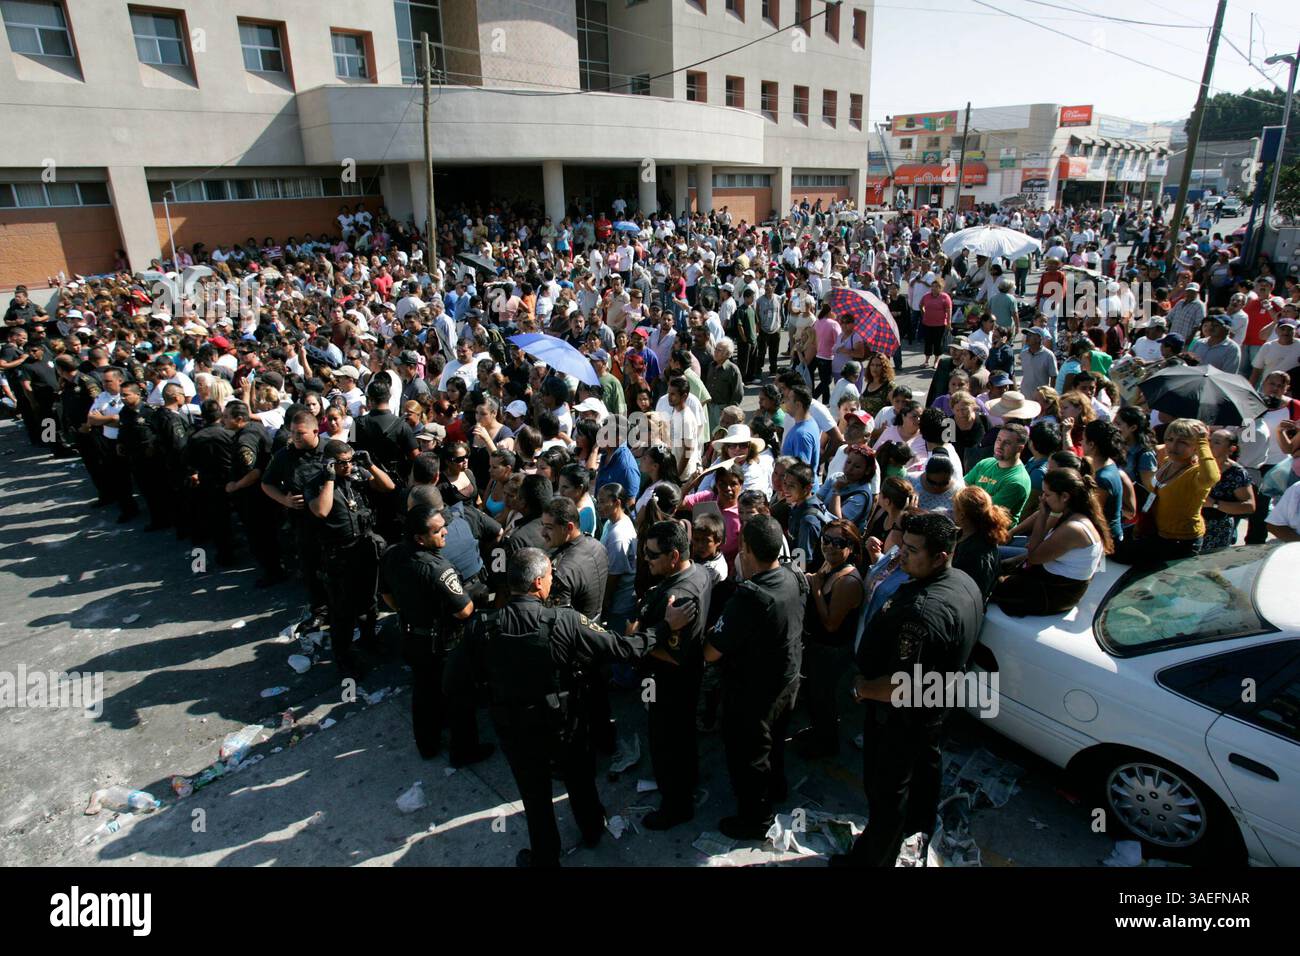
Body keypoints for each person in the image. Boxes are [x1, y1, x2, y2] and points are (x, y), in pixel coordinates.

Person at [479, 548, 656, 867]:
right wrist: (661, 629)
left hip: (516, 730)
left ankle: (545, 858)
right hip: (563, 725)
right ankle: (592, 829)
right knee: (580, 780)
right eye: (549, 576)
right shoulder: (566, 621)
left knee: (535, 799)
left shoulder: (484, 628)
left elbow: (455, 682)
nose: (553, 581)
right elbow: (624, 649)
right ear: (537, 584)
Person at [837, 512, 983, 867]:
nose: (902, 554)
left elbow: (903, 686)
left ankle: (872, 859)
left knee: (887, 793)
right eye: (903, 545)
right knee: (926, 766)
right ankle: (919, 823)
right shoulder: (965, 581)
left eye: (913, 550)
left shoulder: (922, 612)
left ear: (941, 557)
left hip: (901, 718)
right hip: (935, 707)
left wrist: (862, 690)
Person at [693, 516, 807, 840]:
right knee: (775, 744)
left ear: (746, 549)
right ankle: (777, 788)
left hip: (754, 694)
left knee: (749, 757)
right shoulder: (794, 575)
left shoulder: (751, 597)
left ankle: (755, 818)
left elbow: (712, 651)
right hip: (788, 679)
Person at [379, 504, 493, 765]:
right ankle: (464, 751)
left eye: (444, 527)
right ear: (420, 537)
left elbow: (386, 595)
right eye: (438, 530)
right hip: (443, 645)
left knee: (423, 692)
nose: (445, 533)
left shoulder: (392, 555)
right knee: (458, 697)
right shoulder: (438, 569)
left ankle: (427, 744)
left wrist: (410, 612)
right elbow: (464, 611)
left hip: (411, 636)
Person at [624, 520, 713, 830]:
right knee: (683, 738)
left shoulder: (679, 595)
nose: (645, 560)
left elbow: (673, 654)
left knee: (665, 743)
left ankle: (676, 805)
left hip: (668, 684)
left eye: (651, 555)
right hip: (683, 682)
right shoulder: (698, 571)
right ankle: (685, 781)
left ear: (674, 556)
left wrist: (637, 638)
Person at [306, 439, 395, 677]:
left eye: (350, 461)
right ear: (330, 462)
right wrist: (329, 478)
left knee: (369, 602)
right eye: (342, 463)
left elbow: (389, 487)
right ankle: (344, 655)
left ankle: (369, 640)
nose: (348, 466)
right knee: (342, 611)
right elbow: (321, 511)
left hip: (364, 548)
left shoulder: (356, 474)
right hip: (339, 554)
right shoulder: (318, 483)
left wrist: (371, 466)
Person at [993, 468, 1113, 616]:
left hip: (1054, 593)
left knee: (988, 582)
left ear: (1064, 497)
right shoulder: (1070, 514)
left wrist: (1043, 515)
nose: (1043, 499)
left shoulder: (1073, 529)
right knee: (995, 563)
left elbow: (1033, 556)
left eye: (1047, 494)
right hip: (1049, 580)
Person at [795, 519, 864, 759]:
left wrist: (815, 587)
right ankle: (818, 733)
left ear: (852, 547)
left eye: (839, 542)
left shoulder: (848, 581)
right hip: (818, 647)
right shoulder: (830, 565)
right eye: (826, 540)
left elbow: (832, 624)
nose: (830, 546)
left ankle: (826, 745)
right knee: (815, 698)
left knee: (823, 700)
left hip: (831, 651)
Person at [1116, 418, 1219, 566]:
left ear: (1196, 447)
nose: (1173, 446)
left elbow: (1211, 477)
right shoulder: (1168, 462)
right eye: (1170, 439)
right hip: (1155, 532)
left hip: (1180, 541)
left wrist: (1203, 440)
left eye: (1183, 442)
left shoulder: (1196, 472)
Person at [952, 485, 1012, 605]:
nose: (952, 511)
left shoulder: (977, 552)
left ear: (962, 515)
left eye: (954, 508)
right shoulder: (962, 534)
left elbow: (976, 592)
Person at [963, 423, 1032, 522]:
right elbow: (961, 488)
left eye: (1007, 442)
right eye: (998, 439)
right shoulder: (985, 463)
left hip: (993, 532)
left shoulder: (1017, 481)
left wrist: (968, 495)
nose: (1000, 445)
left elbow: (986, 511)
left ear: (1020, 448)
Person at [1200, 429, 1254, 553]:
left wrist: (1214, 503)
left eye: (1217, 442)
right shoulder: (1196, 464)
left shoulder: (1237, 473)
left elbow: (1249, 506)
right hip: (1191, 525)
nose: (1210, 445)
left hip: (1217, 529)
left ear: (1232, 449)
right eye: (1209, 441)